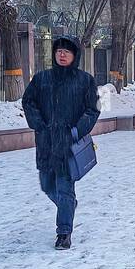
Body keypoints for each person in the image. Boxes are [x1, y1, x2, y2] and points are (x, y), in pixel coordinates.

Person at [22, 35, 100, 250]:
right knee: (47, 186)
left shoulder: (85, 81)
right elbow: (28, 102)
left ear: (75, 55)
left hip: (68, 144)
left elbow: (92, 110)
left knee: (65, 188)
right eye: (59, 51)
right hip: (46, 142)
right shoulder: (41, 79)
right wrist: (39, 124)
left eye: (67, 51)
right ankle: (69, 206)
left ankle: (64, 232)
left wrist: (76, 131)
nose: (62, 54)